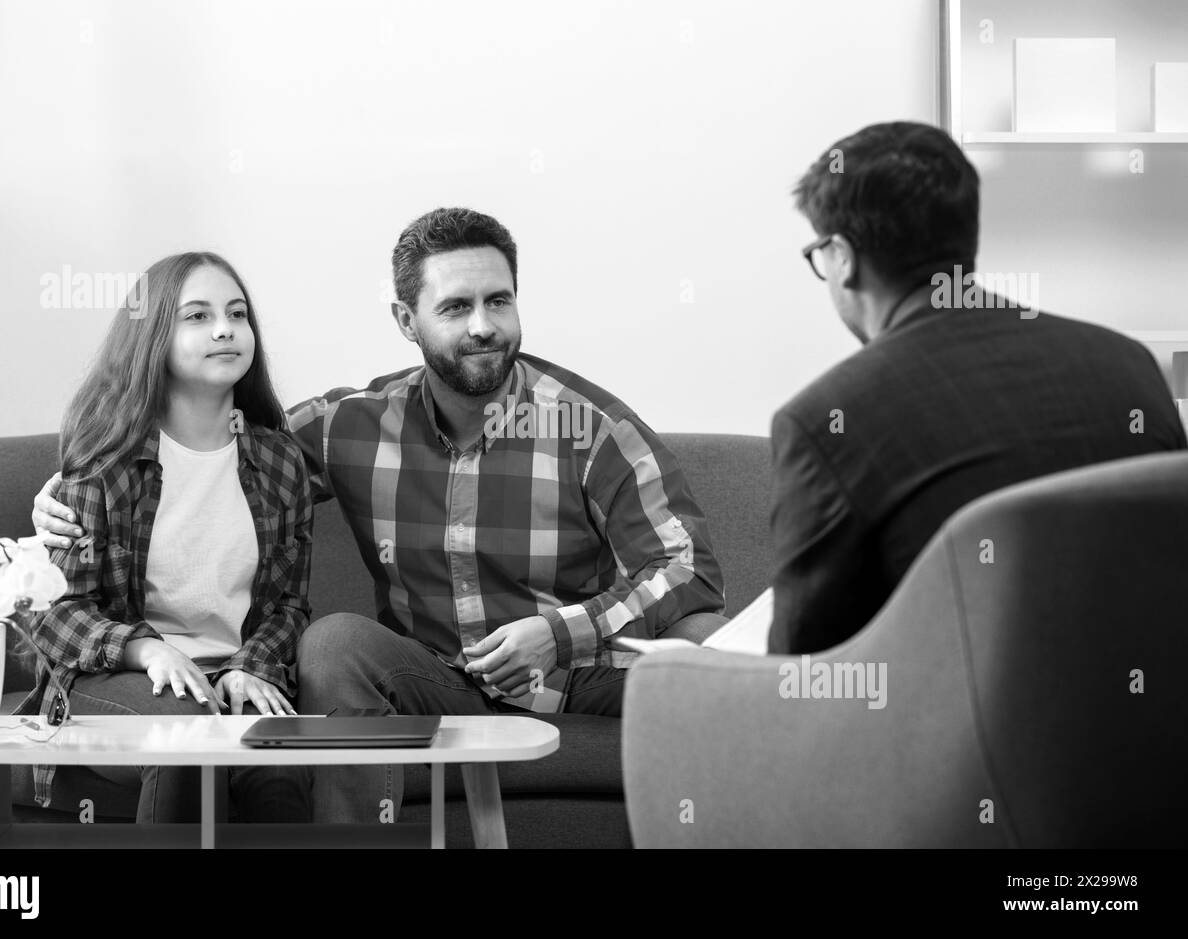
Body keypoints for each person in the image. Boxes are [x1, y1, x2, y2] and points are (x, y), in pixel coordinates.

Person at [37, 207, 727, 825]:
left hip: (574, 679)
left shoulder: (588, 424)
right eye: (455, 306)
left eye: (499, 301)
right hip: (429, 680)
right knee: (334, 642)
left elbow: (686, 566)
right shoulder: (349, 428)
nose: (483, 324)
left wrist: (560, 633)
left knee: (736, 683)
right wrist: (62, 491)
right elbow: (214, 455)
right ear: (407, 321)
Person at [765, 120, 1188, 655]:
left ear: (843, 257)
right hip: (1154, 720)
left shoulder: (827, 420)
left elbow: (802, 673)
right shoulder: (1129, 364)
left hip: (955, 733)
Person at [17, 252, 313, 823]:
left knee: (278, 758)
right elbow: (55, 614)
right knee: (187, 730)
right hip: (113, 676)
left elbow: (290, 605)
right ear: (153, 337)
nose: (225, 329)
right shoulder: (103, 464)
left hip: (230, 673)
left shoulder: (280, 462)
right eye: (197, 316)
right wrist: (146, 648)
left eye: (237, 314)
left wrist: (250, 666)